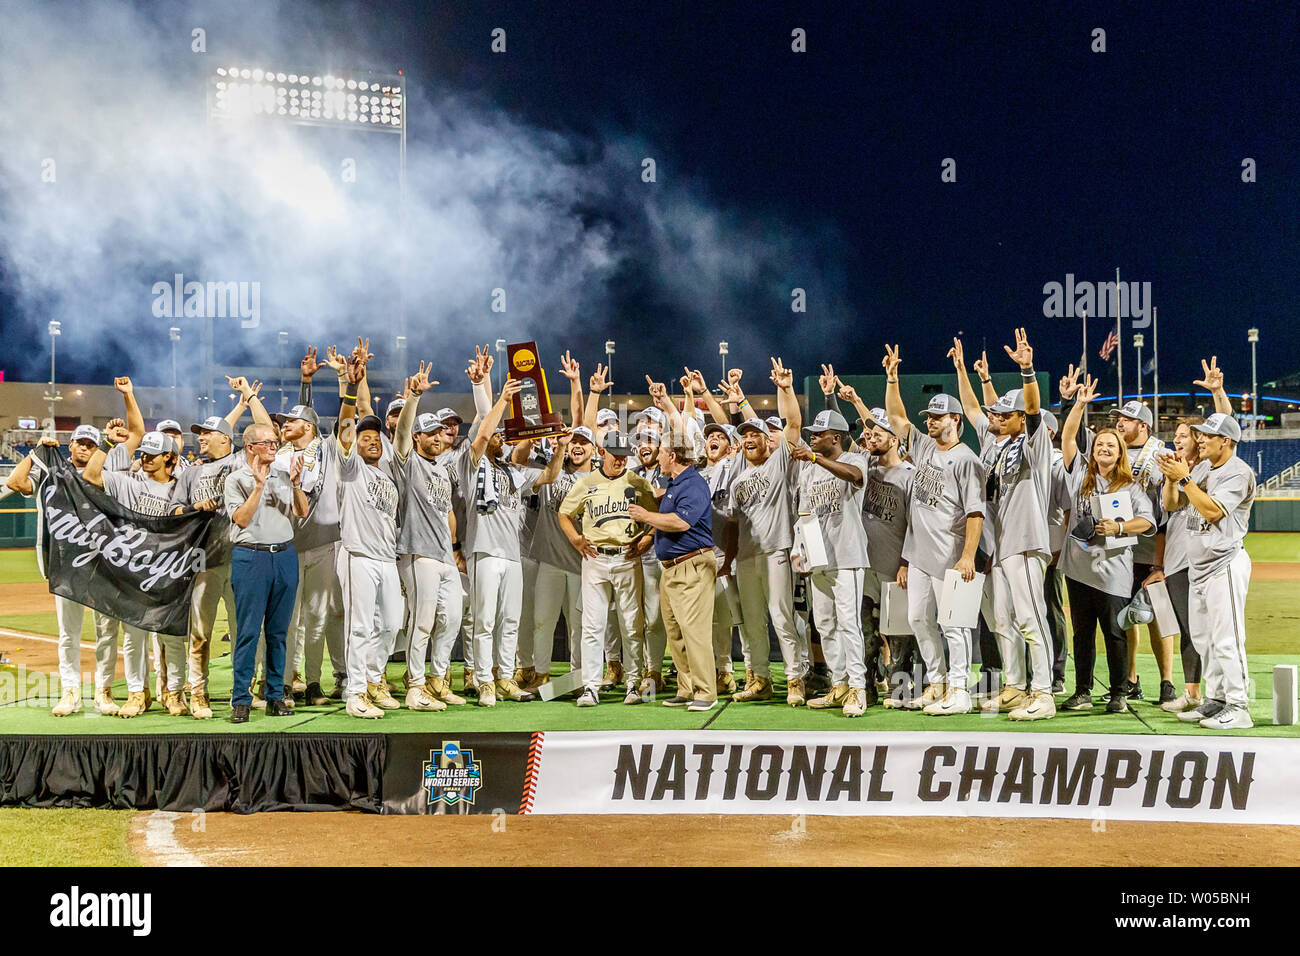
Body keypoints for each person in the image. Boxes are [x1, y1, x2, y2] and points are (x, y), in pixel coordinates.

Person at [951, 331, 1056, 720]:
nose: (993, 417)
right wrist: (963, 369)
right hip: (998, 546)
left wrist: (1026, 369)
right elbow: (973, 407)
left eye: (1002, 414)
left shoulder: (1034, 443)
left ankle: (1043, 692)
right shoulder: (994, 442)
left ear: (1018, 419)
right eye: (995, 414)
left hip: (1025, 542)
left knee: (1031, 618)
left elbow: (1031, 411)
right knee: (1002, 621)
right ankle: (1014, 686)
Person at [882, 347, 985, 715]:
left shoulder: (968, 460)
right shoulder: (925, 448)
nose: (930, 421)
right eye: (929, 416)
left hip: (952, 556)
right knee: (917, 620)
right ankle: (938, 682)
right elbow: (896, 419)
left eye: (938, 417)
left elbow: (976, 513)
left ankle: (959, 690)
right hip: (922, 556)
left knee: (954, 625)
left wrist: (969, 555)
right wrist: (892, 378)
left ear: (955, 420)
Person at [5, 427, 124, 716]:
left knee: (106, 632)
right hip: (65, 563)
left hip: (101, 563)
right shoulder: (51, 473)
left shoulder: (105, 474)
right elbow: (15, 481)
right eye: (79, 443)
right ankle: (70, 692)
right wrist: (35, 454)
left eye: (90, 445)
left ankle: (103, 691)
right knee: (68, 633)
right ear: (69, 446)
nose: (84, 448)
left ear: (97, 449)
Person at [461, 377, 566, 706]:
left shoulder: (511, 471)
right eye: (495, 435)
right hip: (485, 551)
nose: (498, 438)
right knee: (485, 620)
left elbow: (548, 476)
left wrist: (560, 448)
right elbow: (480, 435)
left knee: (509, 620)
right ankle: (485, 681)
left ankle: (505, 678)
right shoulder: (472, 464)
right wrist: (503, 399)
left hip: (511, 554)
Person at [82, 396, 188, 718]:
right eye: (143, 454)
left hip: (169, 570)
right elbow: (91, 476)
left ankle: (175, 693)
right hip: (134, 571)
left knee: (171, 637)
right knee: (134, 637)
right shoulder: (130, 482)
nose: (145, 460)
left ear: (169, 457)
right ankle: (136, 693)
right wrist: (106, 442)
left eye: (152, 456)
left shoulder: (183, 484)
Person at [1057, 376, 1156, 714]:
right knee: (1082, 634)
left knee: (1114, 633)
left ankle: (1118, 693)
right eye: (1099, 444)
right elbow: (1068, 436)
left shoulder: (1129, 486)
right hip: (1078, 568)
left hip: (1113, 570)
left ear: (1120, 452)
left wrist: (1119, 525)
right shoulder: (1079, 474)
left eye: (1111, 445)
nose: (1103, 448)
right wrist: (1079, 405)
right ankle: (1082, 690)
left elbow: (1148, 521)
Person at [177, 378, 273, 719]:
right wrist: (193, 507)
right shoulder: (190, 473)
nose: (200, 437)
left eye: (207, 433)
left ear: (225, 438)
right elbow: (175, 511)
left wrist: (246, 397)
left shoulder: (239, 462)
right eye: (199, 433)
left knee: (247, 630)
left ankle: (243, 692)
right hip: (204, 557)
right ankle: (198, 692)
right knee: (200, 631)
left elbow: (261, 429)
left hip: (242, 556)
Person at [1158, 411, 1256, 730]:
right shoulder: (1202, 467)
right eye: (1199, 434)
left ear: (1225, 441)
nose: (1200, 439)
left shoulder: (1238, 472)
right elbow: (1172, 505)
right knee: (1204, 640)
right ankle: (1214, 701)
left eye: (1206, 436)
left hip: (1224, 564)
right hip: (1198, 568)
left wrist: (1184, 479)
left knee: (1227, 639)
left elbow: (1213, 511)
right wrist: (1173, 478)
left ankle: (1239, 706)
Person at [719, 370, 809, 706]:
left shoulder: (778, 463)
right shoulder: (739, 475)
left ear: (767, 439)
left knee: (781, 616)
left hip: (775, 552)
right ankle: (760, 679)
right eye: (745, 436)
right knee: (752, 621)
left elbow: (794, 425)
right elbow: (729, 518)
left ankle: (795, 678)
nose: (749, 438)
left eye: (755, 434)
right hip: (746, 555)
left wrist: (783, 389)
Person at [788, 372, 872, 718]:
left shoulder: (854, 459)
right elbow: (804, 512)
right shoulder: (809, 470)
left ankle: (858, 688)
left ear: (834, 438)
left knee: (849, 623)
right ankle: (839, 684)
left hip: (848, 555)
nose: (811, 439)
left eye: (817, 435)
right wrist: (798, 547)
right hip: (818, 556)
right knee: (825, 624)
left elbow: (855, 479)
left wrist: (815, 458)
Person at [559, 431, 658, 705]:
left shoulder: (636, 481)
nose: (622, 461)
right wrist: (576, 539)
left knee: (631, 623)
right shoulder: (587, 482)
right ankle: (591, 686)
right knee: (592, 625)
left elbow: (654, 514)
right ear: (602, 453)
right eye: (617, 455)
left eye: (626, 456)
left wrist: (648, 537)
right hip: (595, 557)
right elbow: (564, 514)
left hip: (627, 556)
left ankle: (633, 684)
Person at [834, 382, 916, 706]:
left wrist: (907, 563)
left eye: (878, 433)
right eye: (867, 435)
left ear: (894, 437)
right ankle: (866, 686)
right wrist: (851, 400)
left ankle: (902, 690)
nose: (870, 438)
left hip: (894, 565)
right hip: (863, 565)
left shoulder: (909, 473)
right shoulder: (863, 465)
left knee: (898, 634)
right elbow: (854, 436)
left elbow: (916, 525)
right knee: (865, 631)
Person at [391, 363, 467, 711]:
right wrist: (414, 398)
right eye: (430, 433)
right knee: (420, 622)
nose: (437, 438)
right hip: (417, 552)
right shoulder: (409, 463)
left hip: (443, 556)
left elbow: (448, 512)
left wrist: (453, 550)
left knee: (450, 619)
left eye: (440, 433)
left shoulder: (441, 469)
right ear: (418, 438)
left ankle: (438, 680)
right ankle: (415, 686)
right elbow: (402, 432)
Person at [223, 422, 310, 723]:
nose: (275, 446)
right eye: (268, 443)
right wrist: (259, 486)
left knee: (279, 633)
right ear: (250, 447)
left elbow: (301, 512)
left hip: (284, 554)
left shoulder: (285, 476)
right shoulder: (236, 479)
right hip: (251, 556)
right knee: (247, 633)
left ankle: (275, 695)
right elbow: (241, 520)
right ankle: (241, 698)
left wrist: (297, 484)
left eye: (275, 442)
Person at [334, 353, 404, 718]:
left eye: (376, 436)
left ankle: (374, 680)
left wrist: (363, 383)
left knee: (393, 623)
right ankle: (356, 692)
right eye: (365, 437)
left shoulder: (388, 466)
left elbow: (370, 411)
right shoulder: (349, 468)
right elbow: (349, 422)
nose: (372, 440)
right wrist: (349, 387)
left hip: (386, 558)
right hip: (357, 555)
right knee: (359, 627)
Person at [629, 430, 718, 713]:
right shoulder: (676, 484)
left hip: (691, 565)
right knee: (675, 632)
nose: (659, 457)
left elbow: (681, 523)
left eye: (663, 452)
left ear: (673, 455)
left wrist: (646, 516)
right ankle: (687, 687)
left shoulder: (693, 484)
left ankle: (706, 692)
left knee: (694, 631)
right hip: (671, 568)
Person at [521, 426, 595, 692]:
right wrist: (561, 446)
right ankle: (540, 676)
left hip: (580, 563)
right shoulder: (554, 470)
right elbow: (527, 462)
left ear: (594, 449)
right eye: (574, 441)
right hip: (550, 561)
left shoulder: (598, 479)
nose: (578, 446)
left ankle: (578, 680)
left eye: (584, 442)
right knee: (543, 621)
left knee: (578, 626)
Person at [1157, 416, 1207, 713]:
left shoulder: (1207, 467)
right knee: (1187, 631)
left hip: (1197, 559)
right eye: (1176, 435)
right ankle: (1192, 693)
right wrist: (1169, 477)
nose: (1177, 439)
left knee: (1201, 629)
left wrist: (1217, 392)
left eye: (1184, 435)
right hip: (1176, 560)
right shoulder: (1180, 468)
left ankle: (1209, 693)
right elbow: (1170, 505)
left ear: (1199, 439)